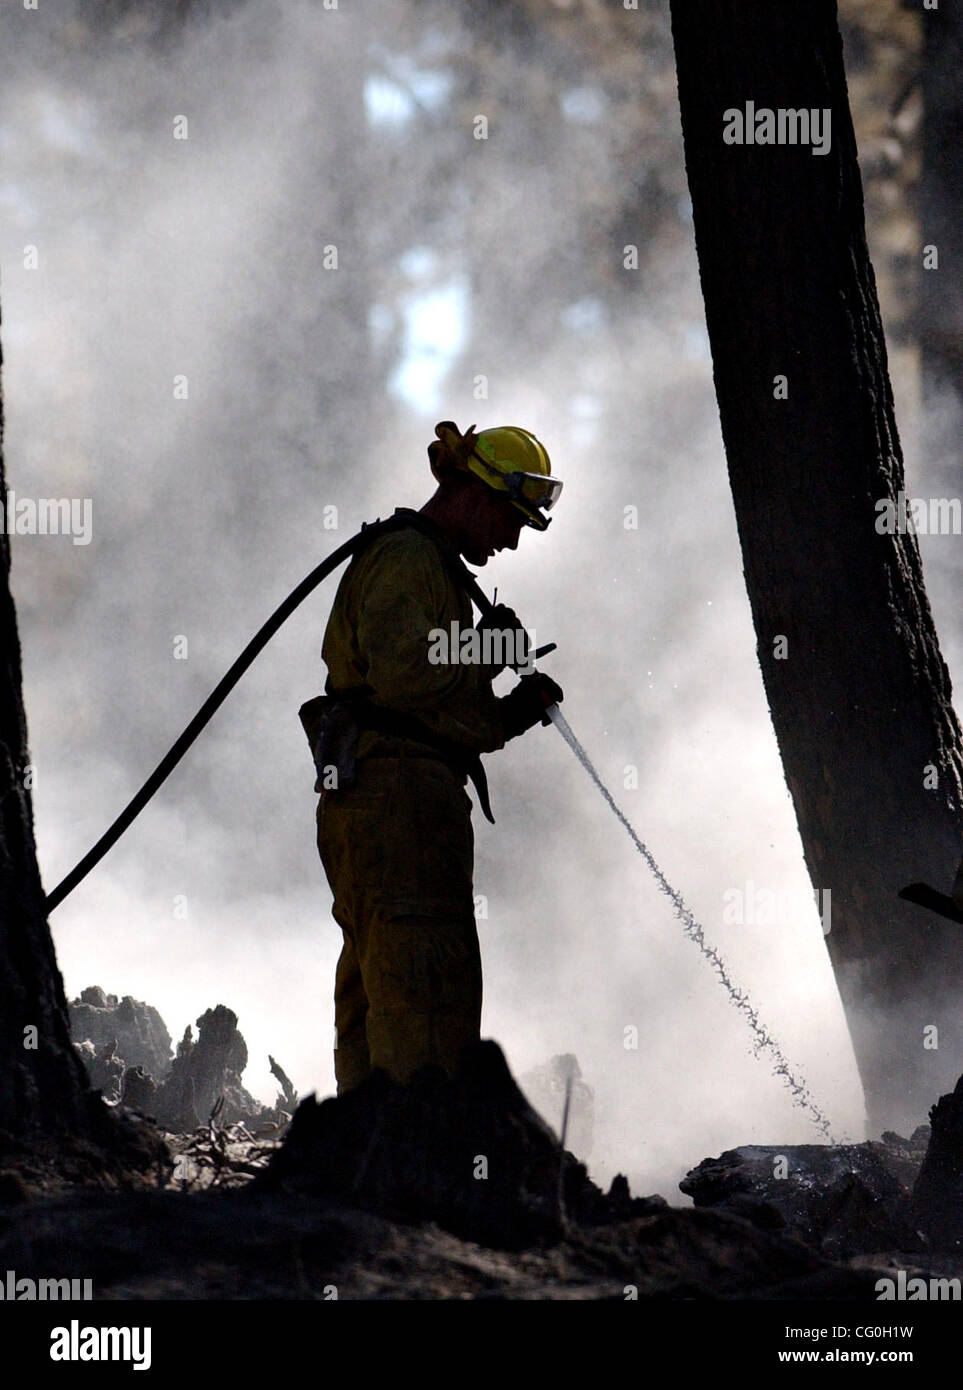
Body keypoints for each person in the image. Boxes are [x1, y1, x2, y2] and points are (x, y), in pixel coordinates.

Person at [315, 420, 564, 1093]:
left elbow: (429, 706)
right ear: (475, 495)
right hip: (397, 801)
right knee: (425, 985)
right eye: (509, 519)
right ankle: (420, 1170)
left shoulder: (426, 565)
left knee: (384, 985)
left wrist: (512, 708)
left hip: (386, 792)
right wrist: (486, 651)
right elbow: (405, 671)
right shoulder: (407, 558)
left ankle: (367, 1162)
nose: (511, 539)